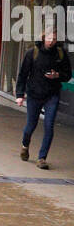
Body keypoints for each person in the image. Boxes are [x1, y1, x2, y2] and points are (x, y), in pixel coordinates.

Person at [16, 27, 72, 168]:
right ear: (43, 37)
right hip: (34, 94)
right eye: (48, 38)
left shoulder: (60, 53)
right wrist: (20, 95)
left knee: (49, 126)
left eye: (54, 39)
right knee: (30, 125)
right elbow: (23, 75)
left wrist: (57, 75)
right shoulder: (32, 53)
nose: (51, 41)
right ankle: (25, 145)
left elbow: (68, 74)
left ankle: (42, 158)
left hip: (52, 95)